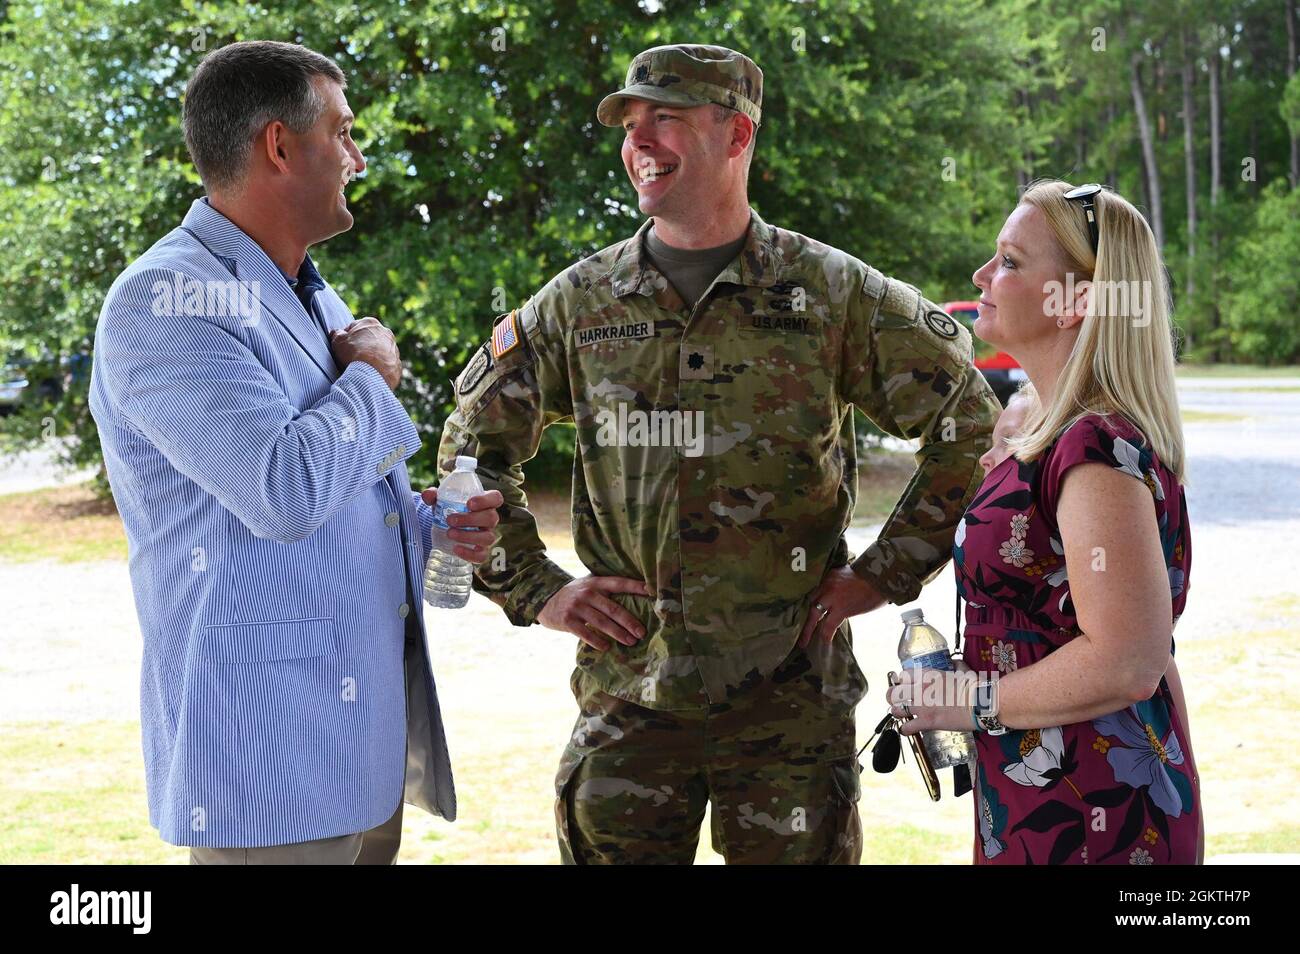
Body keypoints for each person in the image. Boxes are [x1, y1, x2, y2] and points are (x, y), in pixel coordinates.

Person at [437, 43, 1000, 864]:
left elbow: (967, 422)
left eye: (664, 116)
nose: (640, 141)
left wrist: (884, 573)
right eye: (631, 124)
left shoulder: (831, 293)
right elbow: (469, 455)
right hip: (630, 705)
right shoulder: (580, 303)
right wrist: (537, 590)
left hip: (789, 711)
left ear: (736, 135)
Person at [88, 40, 502, 864]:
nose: (358, 156)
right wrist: (374, 380)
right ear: (279, 145)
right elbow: (282, 490)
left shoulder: (310, 293)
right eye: (344, 133)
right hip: (264, 766)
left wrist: (430, 531)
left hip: (359, 751)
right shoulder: (164, 300)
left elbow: (338, 503)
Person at [887, 180, 1202, 865]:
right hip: (1035, 797)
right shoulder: (1032, 426)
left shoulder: (1093, 450)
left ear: (1076, 302)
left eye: (1009, 261)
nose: (981, 277)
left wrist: (963, 701)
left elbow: (1130, 660)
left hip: (1096, 811)